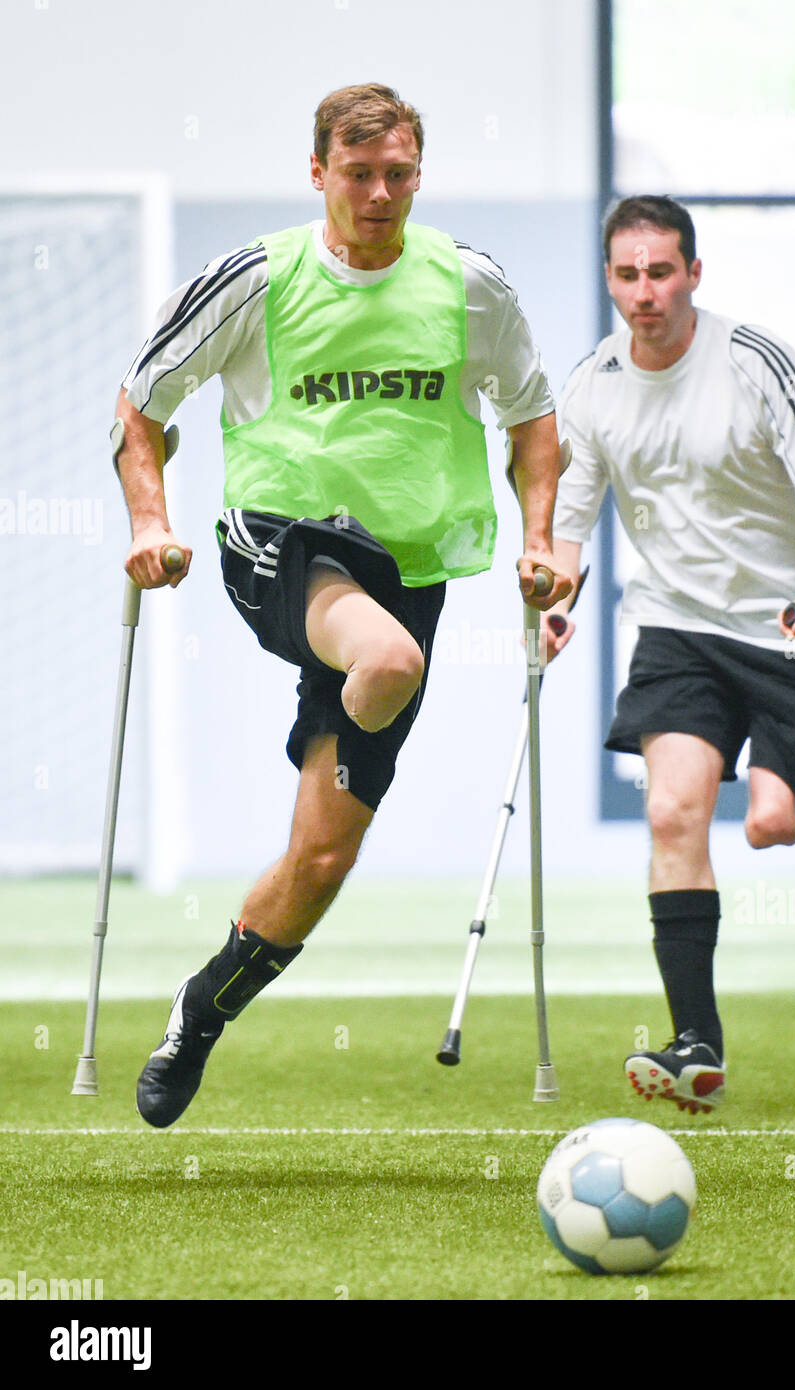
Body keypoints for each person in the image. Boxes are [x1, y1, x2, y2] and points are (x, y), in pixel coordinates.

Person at [116, 82, 571, 1128]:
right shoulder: (257, 279)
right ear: (316, 173)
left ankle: (201, 1008)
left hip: (407, 572)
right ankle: (358, 675)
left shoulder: (470, 285)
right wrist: (150, 520)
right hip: (277, 542)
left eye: (398, 173)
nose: (378, 193)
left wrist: (539, 540)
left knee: (321, 857)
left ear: (419, 173)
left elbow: (533, 420)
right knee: (388, 666)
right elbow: (143, 405)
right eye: (357, 173)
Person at [544, 194, 795, 1113]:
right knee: (671, 813)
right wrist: (552, 600)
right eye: (626, 274)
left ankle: (780, 785)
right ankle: (697, 1041)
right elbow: (568, 524)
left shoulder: (756, 365)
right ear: (609, 279)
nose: (643, 292)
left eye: (660, 272)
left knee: (768, 822)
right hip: (676, 627)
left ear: (693, 272)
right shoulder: (596, 384)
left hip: (785, 619)